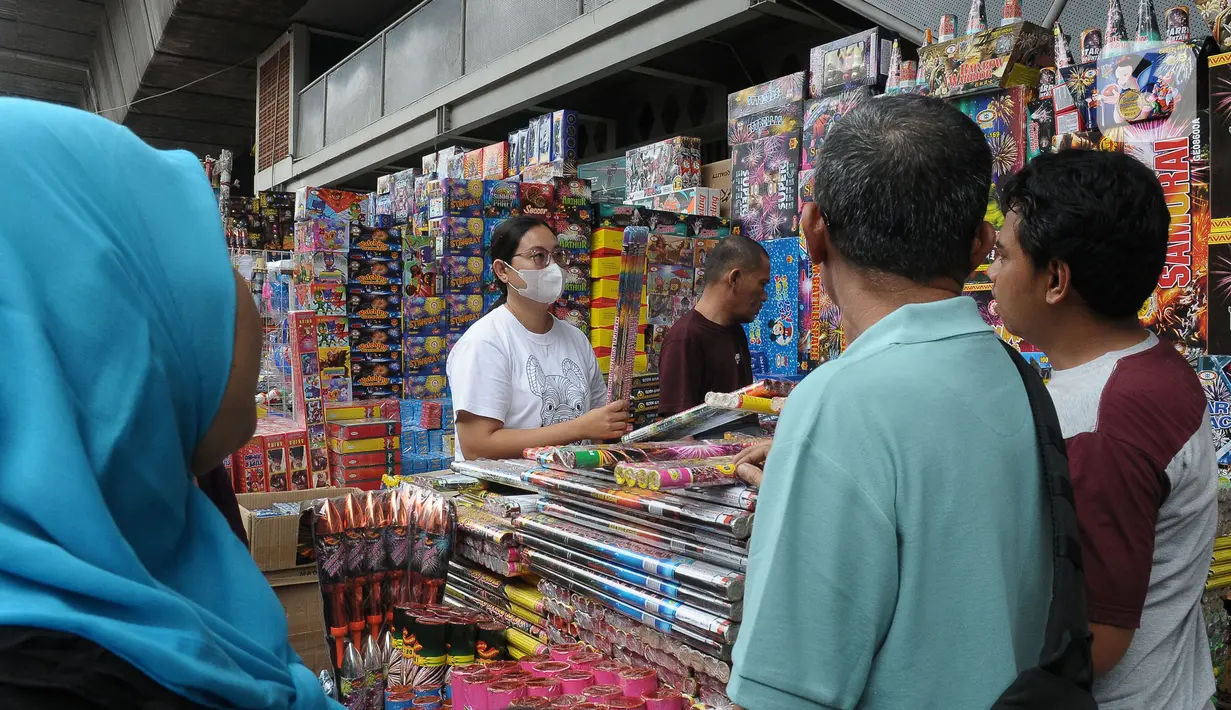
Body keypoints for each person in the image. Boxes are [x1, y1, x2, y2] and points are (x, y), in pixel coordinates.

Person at [0, 99, 337, 709]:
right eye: (193, 252)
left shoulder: (149, 593)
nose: (243, 295)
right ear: (94, 318)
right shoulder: (73, 680)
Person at [728, 95, 1051, 709]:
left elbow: (786, 693)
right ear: (982, 243)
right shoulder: (1019, 377)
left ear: (813, 228)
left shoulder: (838, 405)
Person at [988, 148, 1217, 709]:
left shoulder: (1097, 421)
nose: (990, 273)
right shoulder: (1154, 364)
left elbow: (1094, 640)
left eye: (1002, 255)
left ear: (1055, 280)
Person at [447, 216, 628, 460]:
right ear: (503, 271)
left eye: (557, 255)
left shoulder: (575, 339)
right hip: (510, 494)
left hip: (570, 487)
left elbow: (599, 423)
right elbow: (476, 445)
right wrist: (579, 428)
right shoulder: (486, 343)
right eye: (539, 256)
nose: (553, 267)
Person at [657, 235, 769, 417]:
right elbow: (676, 433)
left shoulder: (735, 331)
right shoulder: (685, 339)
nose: (764, 296)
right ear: (734, 278)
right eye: (762, 284)